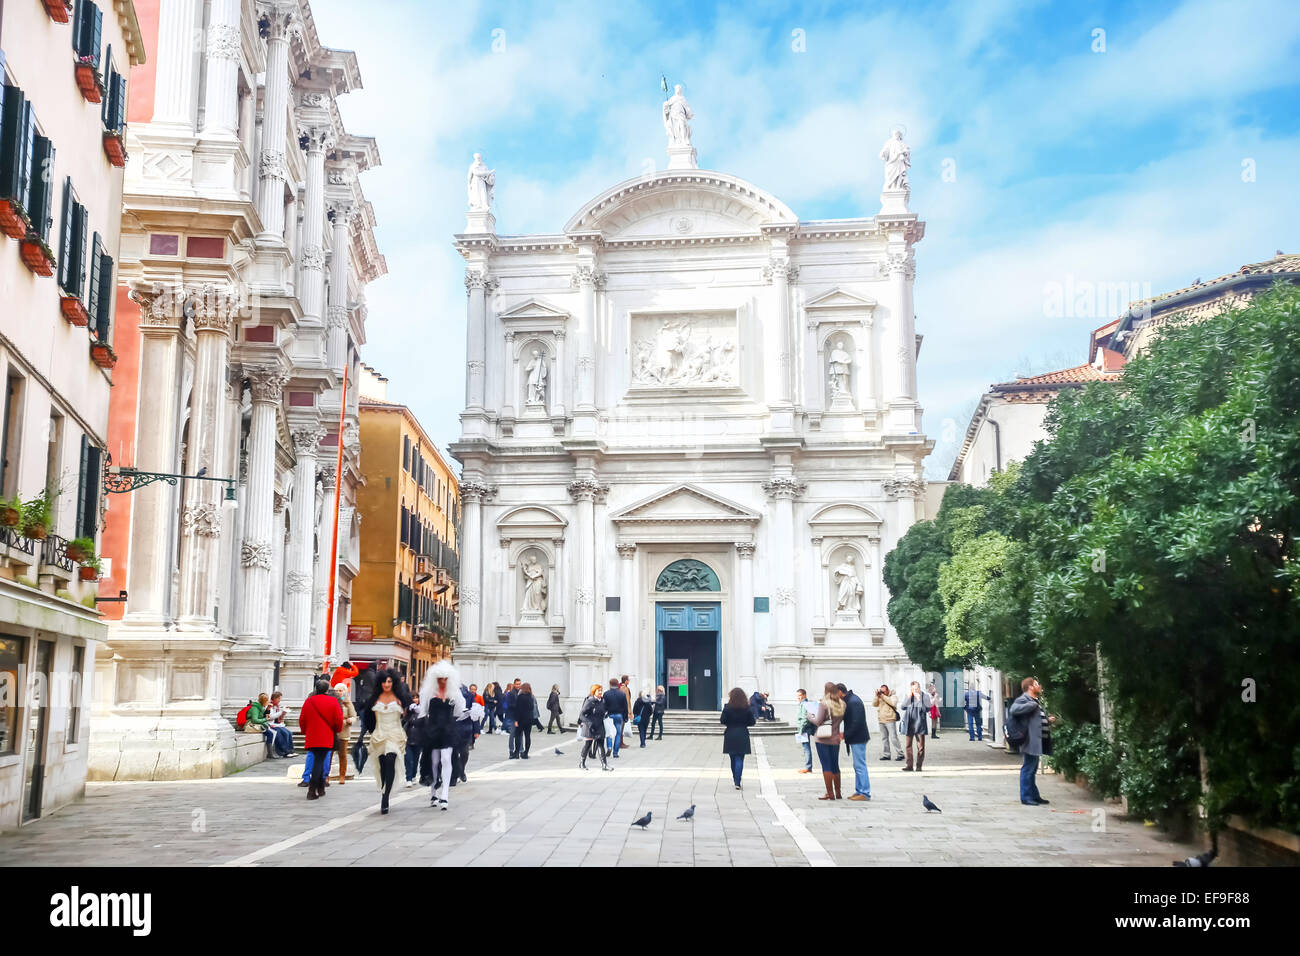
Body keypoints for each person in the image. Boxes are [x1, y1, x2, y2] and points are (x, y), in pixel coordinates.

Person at [418, 660, 467, 810]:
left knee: (446, 759)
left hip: (448, 730)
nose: (443, 682)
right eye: (440, 679)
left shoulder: (455, 693)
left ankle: (445, 794)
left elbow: (460, 711)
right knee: (434, 761)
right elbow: (424, 711)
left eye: (445, 679)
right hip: (432, 730)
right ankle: (433, 790)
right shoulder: (428, 693)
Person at [363, 667, 410, 814]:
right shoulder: (374, 699)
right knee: (382, 766)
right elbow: (368, 719)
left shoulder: (401, 698)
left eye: (389, 681)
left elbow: (408, 715)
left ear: (393, 682)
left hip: (395, 735)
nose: (387, 684)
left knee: (390, 761)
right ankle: (384, 789)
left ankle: (385, 797)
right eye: (384, 681)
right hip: (379, 735)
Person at [1009, 677, 1055, 806]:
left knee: (1032, 768)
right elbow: (1014, 709)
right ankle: (1026, 797)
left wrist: (1047, 720)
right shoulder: (1025, 699)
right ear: (1030, 687)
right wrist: (1032, 704)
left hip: (1037, 741)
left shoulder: (1035, 700)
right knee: (1028, 768)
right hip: (1029, 740)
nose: (1039, 686)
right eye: (1036, 684)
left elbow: (1034, 719)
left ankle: (1034, 795)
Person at [298, 679, 343, 801]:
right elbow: (338, 719)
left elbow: (302, 719)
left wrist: (304, 731)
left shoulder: (309, 701)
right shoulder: (333, 701)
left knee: (318, 759)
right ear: (327, 690)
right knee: (320, 760)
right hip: (326, 735)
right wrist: (337, 729)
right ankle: (313, 789)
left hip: (312, 735)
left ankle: (320, 786)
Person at [807, 682, 845, 800]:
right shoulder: (842, 704)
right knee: (835, 766)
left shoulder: (824, 704)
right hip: (835, 738)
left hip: (823, 739)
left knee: (826, 766)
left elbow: (818, 721)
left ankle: (830, 793)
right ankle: (838, 792)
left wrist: (810, 715)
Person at [837, 683, 871, 801]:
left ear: (840, 692)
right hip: (856, 737)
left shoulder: (853, 702)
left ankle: (864, 792)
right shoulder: (850, 700)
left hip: (858, 737)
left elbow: (856, 722)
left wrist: (845, 735)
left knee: (860, 765)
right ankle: (859, 790)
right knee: (857, 766)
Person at [720, 687, 756, 790]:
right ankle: (737, 781)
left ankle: (735, 778)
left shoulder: (727, 707)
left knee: (732, 758)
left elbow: (722, 720)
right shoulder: (746, 708)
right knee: (740, 758)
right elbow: (752, 722)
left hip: (730, 734)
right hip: (742, 734)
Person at [578, 684, 611, 771]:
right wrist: (589, 723)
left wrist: (606, 713)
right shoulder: (590, 701)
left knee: (601, 745)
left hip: (599, 726)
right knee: (588, 745)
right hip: (590, 727)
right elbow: (581, 715)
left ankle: (604, 765)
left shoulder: (602, 701)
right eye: (598, 690)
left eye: (601, 690)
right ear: (594, 692)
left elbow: (605, 710)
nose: (600, 692)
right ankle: (582, 763)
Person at [900, 681, 930, 772]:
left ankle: (919, 766)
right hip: (909, 724)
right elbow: (902, 707)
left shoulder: (925, 696)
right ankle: (909, 765)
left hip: (919, 724)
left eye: (916, 689)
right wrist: (909, 697)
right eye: (913, 689)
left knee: (920, 747)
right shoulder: (909, 696)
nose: (914, 690)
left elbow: (926, 709)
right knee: (908, 745)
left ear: (919, 688)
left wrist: (920, 699)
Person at [332, 684, 356, 783]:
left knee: (343, 755)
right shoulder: (331, 700)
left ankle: (342, 775)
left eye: (341, 690)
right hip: (333, 731)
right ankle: (326, 776)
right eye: (337, 690)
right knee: (329, 755)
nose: (339, 692)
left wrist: (350, 720)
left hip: (344, 730)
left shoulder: (347, 702)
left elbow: (354, 715)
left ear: (344, 691)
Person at [874, 685, 904, 761]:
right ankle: (886, 755)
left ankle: (900, 754)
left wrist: (883, 696)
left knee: (893, 737)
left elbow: (893, 703)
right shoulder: (880, 696)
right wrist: (876, 696)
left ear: (887, 691)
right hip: (881, 720)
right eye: (881, 691)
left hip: (890, 719)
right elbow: (874, 704)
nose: (882, 693)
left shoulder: (893, 696)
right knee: (884, 738)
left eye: (883, 691)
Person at [246, 692, 275, 759]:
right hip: (252, 725)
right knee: (270, 733)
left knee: (272, 731)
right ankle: (270, 753)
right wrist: (265, 719)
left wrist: (268, 709)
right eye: (267, 701)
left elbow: (262, 715)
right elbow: (254, 720)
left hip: (259, 724)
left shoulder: (261, 707)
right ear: (264, 701)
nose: (268, 702)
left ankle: (271, 752)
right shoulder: (255, 708)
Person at [604, 678, 628, 758]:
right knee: (618, 733)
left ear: (610, 684)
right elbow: (625, 707)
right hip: (619, 715)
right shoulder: (622, 694)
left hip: (609, 715)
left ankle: (609, 747)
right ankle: (615, 752)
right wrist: (625, 717)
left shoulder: (606, 694)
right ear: (618, 684)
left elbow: (604, 706)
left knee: (609, 732)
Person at [404, 694, 424, 787]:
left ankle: (413, 776)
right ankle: (408, 778)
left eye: (416, 697)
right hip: (407, 739)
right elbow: (403, 720)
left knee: (415, 760)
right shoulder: (408, 711)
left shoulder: (422, 711)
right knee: (408, 759)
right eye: (413, 698)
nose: (415, 699)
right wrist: (409, 709)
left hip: (418, 739)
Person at [266, 692, 294, 758]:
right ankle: (284, 752)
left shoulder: (278, 706)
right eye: (278, 698)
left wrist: (284, 712)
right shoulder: (269, 706)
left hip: (278, 725)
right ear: (274, 698)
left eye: (280, 698)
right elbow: (270, 717)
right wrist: (281, 712)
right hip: (271, 725)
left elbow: (280, 718)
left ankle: (290, 751)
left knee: (289, 733)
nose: (279, 700)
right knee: (282, 733)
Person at [512, 682, 536, 759]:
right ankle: (526, 753)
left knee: (518, 736)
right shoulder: (531, 697)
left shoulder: (520, 697)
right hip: (529, 719)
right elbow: (532, 708)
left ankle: (516, 753)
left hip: (521, 719)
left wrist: (516, 720)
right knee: (527, 736)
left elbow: (517, 709)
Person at [795, 688, 814, 774]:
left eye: (799, 695)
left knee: (806, 748)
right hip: (805, 729)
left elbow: (804, 718)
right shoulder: (804, 703)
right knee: (805, 748)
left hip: (804, 729)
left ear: (804, 695)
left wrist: (800, 731)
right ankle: (808, 766)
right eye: (797, 696)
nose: (798, 697)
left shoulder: (804, 704)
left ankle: (808, 767)